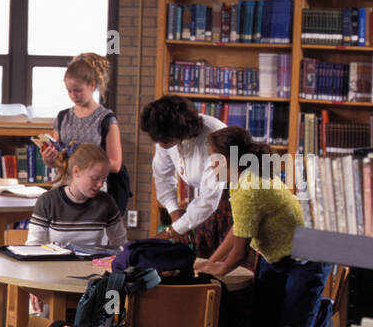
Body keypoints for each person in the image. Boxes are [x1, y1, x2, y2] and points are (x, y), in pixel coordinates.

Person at [195, 126, 327, 327]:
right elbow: (237, 233)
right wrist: (208, 264)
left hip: (305, 262)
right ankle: (316, 315)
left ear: (228, 159)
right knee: (251, 322)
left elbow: (238, 253)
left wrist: (217, 269)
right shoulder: (242, 183)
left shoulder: (249, 188)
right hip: (275, 259)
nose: (210, 166)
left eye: (213, 159)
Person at [140, 94, 229, 257]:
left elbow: (211, 198)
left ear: (180, 131)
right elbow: (163, 177)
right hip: (206, 204)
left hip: (232, 204)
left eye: (163, 140)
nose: (159, 145)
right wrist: (174, 213)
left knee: (224, 265)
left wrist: (170, 232)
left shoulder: (216, 137)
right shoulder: (164, 135)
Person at [38, 52, 129, 211]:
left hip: (94, 191)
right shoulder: (62, 117)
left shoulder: (106, 119)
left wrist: (81, 164)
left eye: (78, 90)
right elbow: (58, 160)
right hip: (65, 189)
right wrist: (49, 160)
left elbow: (115, 165)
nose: (73, 95)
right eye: (69, 91)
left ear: (92, 85)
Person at [27, 143, 127, 249]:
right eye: (95, 178)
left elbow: (121, 244)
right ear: (76, 171)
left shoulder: (106, 202)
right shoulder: (48, 201)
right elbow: (33, 246)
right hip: (55, 264)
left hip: (92, 264)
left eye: (104, 179)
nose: (100, 184)